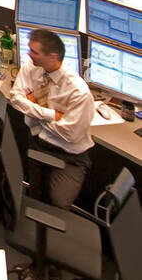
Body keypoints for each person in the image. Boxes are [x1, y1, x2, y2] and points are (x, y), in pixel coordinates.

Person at [10, 29, 94, 209]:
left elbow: (69, 134)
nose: (28, 55)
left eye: (34, 52)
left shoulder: (78, 91)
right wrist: (51, 115)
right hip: (37, 143)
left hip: (68, 155)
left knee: (58, 203)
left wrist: (32, 108)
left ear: (53, 57)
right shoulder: (31, 68)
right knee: (34, 199)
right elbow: (16, 99)